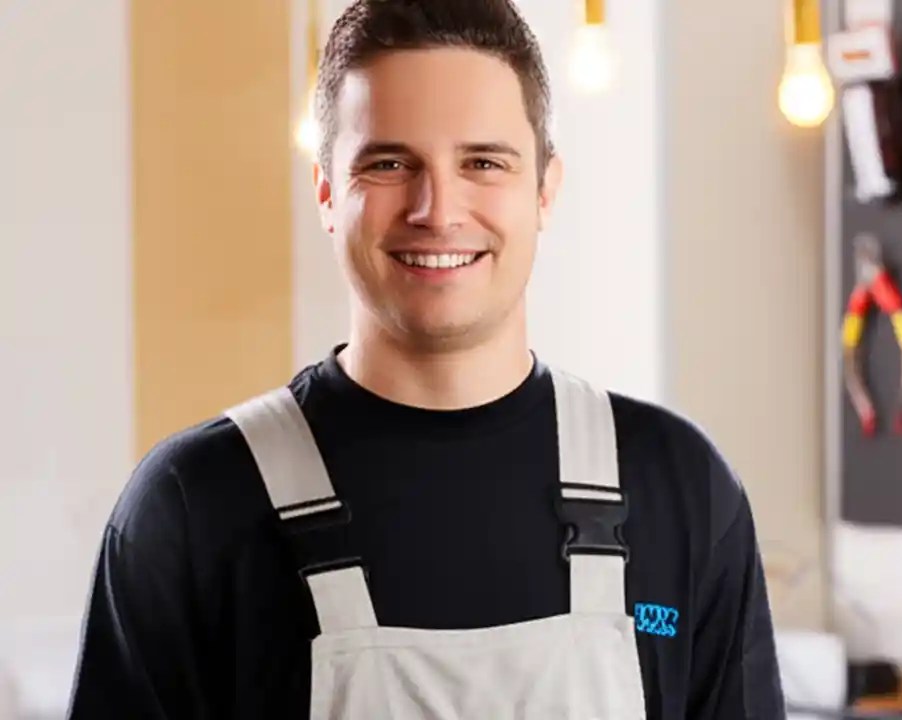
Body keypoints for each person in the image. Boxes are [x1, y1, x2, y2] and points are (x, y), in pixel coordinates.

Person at [66, 0, 786, 718]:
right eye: (388, 163)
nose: (436, 209)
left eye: (482, 162)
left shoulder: (680, 488)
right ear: (326, 191)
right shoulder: (191, 508)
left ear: (544, 190)